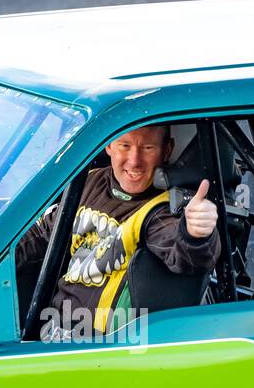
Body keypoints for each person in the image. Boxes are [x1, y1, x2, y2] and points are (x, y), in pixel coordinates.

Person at [16, 125, 220, 341]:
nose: (134, 161)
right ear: (109, 146)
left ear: (167, 150)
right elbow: (41, 234)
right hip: (52, 328)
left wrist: (195, 233)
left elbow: (184, 255)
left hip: (99, 345)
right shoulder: (88, 182)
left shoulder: (160, 210)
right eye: (125, 145)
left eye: (148, 148)